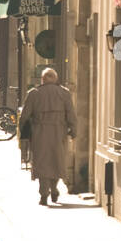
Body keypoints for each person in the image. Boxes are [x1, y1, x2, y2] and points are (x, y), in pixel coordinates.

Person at [19, 67, 77, 206]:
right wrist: (73, 130)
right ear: (55, 79)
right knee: (57, 160)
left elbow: (25, 116)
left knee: (42, 162)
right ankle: (54, 187)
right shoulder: (64, 93)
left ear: (42, 79)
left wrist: (23, 132)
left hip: (39, 132)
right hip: (59, 132)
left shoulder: (34, 94)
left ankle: (44, 193)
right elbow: (71, 114)